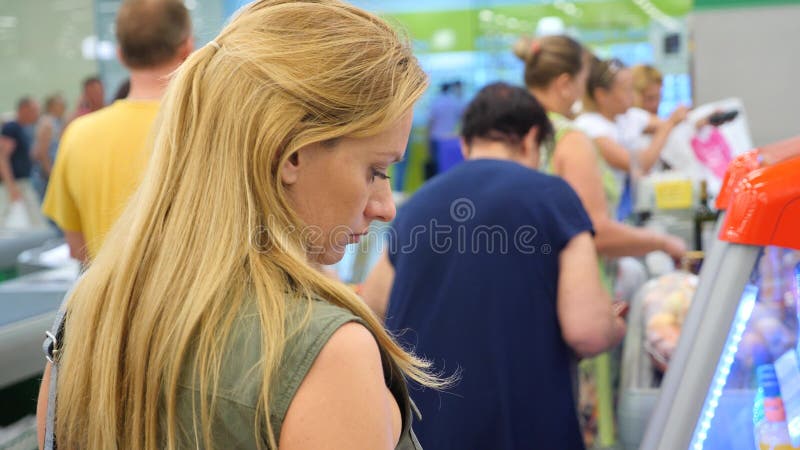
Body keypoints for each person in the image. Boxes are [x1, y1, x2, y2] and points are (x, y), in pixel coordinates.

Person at [36, 1, 444, 449]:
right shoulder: (327, 353)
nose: (385, 207)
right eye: (376, 171)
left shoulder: (87, 315)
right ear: (290, 153)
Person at [362, 82, 625, 450]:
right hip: (527, 429)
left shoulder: (416, 207)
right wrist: (615, 324)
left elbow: (372, 311)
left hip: (424, 430)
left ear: (465, 144)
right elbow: (588, 332)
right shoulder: (554, 197)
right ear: (532, 139)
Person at [513, 35, 686, 448]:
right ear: (566, 83)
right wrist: (661, 242)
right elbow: (595, 231)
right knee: (584, 413)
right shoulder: (569, 138)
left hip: (529, 294)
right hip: (580, 294)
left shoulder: (514, 133)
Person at [42, 0, 195, 262]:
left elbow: (77, 248)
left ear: (120, 54)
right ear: (187, 47)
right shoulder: (210, 126)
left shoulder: (78, 136)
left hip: (111, 288)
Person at [576, 57, 688, 219]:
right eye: (626, 90)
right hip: (602, 215)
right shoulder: (590, 127)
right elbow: (640, 164)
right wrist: (669, 125)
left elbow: (669, 123)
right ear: (601, 95)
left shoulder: (627, 117)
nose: (632, 96)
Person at [0, 96, 39, 203]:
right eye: (34, 110)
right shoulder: (11, 128)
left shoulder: (25, 129)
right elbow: (2, 157)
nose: (36, 114)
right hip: (14, 183)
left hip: (24, 181)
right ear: (24, 109)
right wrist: (10, 186)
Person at [425, 80, 465, 178]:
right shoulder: (454, 102)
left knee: (436, 165)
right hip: (450, 138)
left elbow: (431, 122)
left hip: (436, 137)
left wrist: (427, 138)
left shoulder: (436, 102)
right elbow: (461, 119)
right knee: (448, 166)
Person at [30, 94, 67, 201]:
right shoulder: (47, 124)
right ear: (51, 106)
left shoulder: (57, 122)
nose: (63, 107)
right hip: (44, 176)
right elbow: (42, 153)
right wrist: (52, 176)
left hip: (50, 173)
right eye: (60, 104)